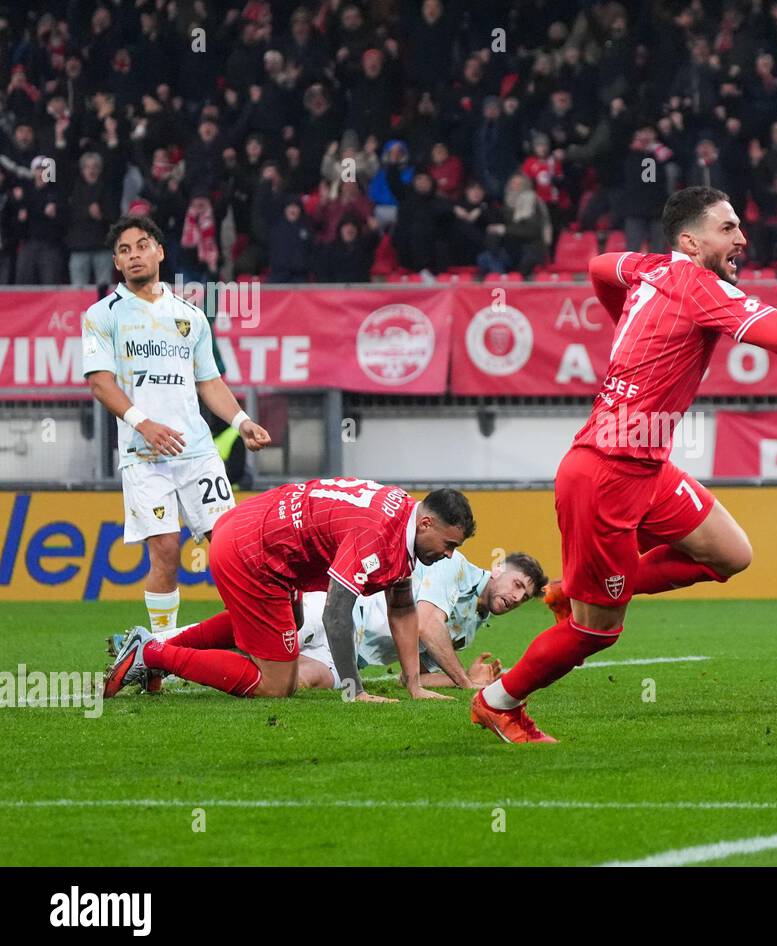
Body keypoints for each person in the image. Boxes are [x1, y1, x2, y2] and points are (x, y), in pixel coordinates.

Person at [469, 186, 777, 743]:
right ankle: (498, 702)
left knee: (730, 553)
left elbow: (599, 266)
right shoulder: (701, 288)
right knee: (596, 632)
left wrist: (627, 320)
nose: (741, 238)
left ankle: (573, 589)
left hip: (644, 466)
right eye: (727, 228)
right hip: (606, 473)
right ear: (690, 240)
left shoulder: (649, 269)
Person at [104, 482, 475, 702]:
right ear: (426, 523)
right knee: (277, 684)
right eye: (448, 544)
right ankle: (152, 653)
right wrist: (354, 690)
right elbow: (335, 614)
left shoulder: (404, 518)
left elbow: (402, 605)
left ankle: (161, 651)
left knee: (293, 621)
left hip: (254, 528)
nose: (448, 555)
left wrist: (414, 685)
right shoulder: (377, 535)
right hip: (253, 553)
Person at [82, 215, 271, 638]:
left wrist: (241, 422)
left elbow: (209, 381)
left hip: (198, 454)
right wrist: (142, 424)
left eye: (142, 245)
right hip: (144, 456)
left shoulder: (190, 315)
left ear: (160, 252)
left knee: (228, 548)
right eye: (125, 250)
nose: (135, 255)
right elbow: (99, 382)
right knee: (166, 551)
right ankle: (164, 647)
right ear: (116, 262)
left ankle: (253, 635)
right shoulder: (102, 315)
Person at [296, 550, 546, 692]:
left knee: (297, 682)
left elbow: (410, 678)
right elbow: (426, 624)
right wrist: (465, 681)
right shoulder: (453, 565)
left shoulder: (467, 631)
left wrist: (467, 678)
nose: (516, 597)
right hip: (337, 611)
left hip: (349, 658)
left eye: (524, 598)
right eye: (517, 585)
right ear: (498, 569)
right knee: (268, 642)